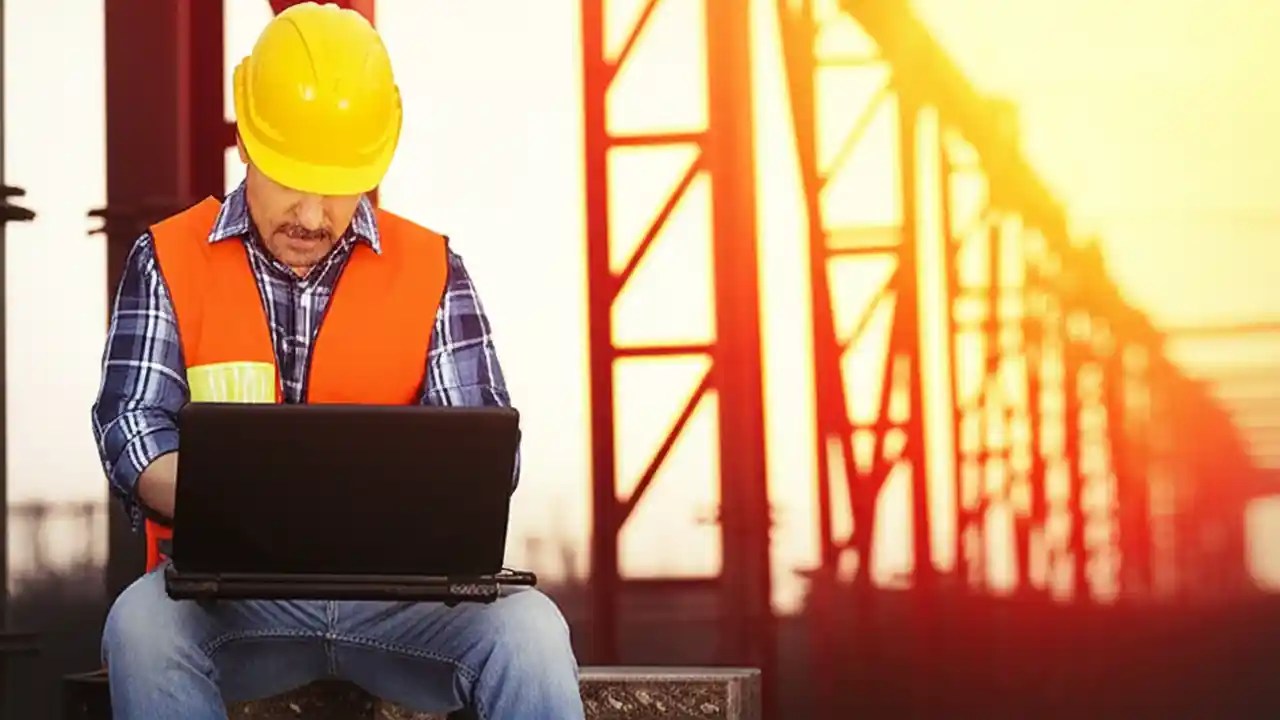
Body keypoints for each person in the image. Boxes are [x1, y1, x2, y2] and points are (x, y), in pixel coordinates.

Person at [89, 4, 584, 719]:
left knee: (530, 630)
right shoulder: (168, 259)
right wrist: (258, 506)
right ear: (250, 144)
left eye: (339, 184)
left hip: (403, 609)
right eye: (292, 178)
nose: (314, 215)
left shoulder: (433, 271)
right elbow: (131, 427)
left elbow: (482, 460)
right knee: (140, 625)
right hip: (227, 606)